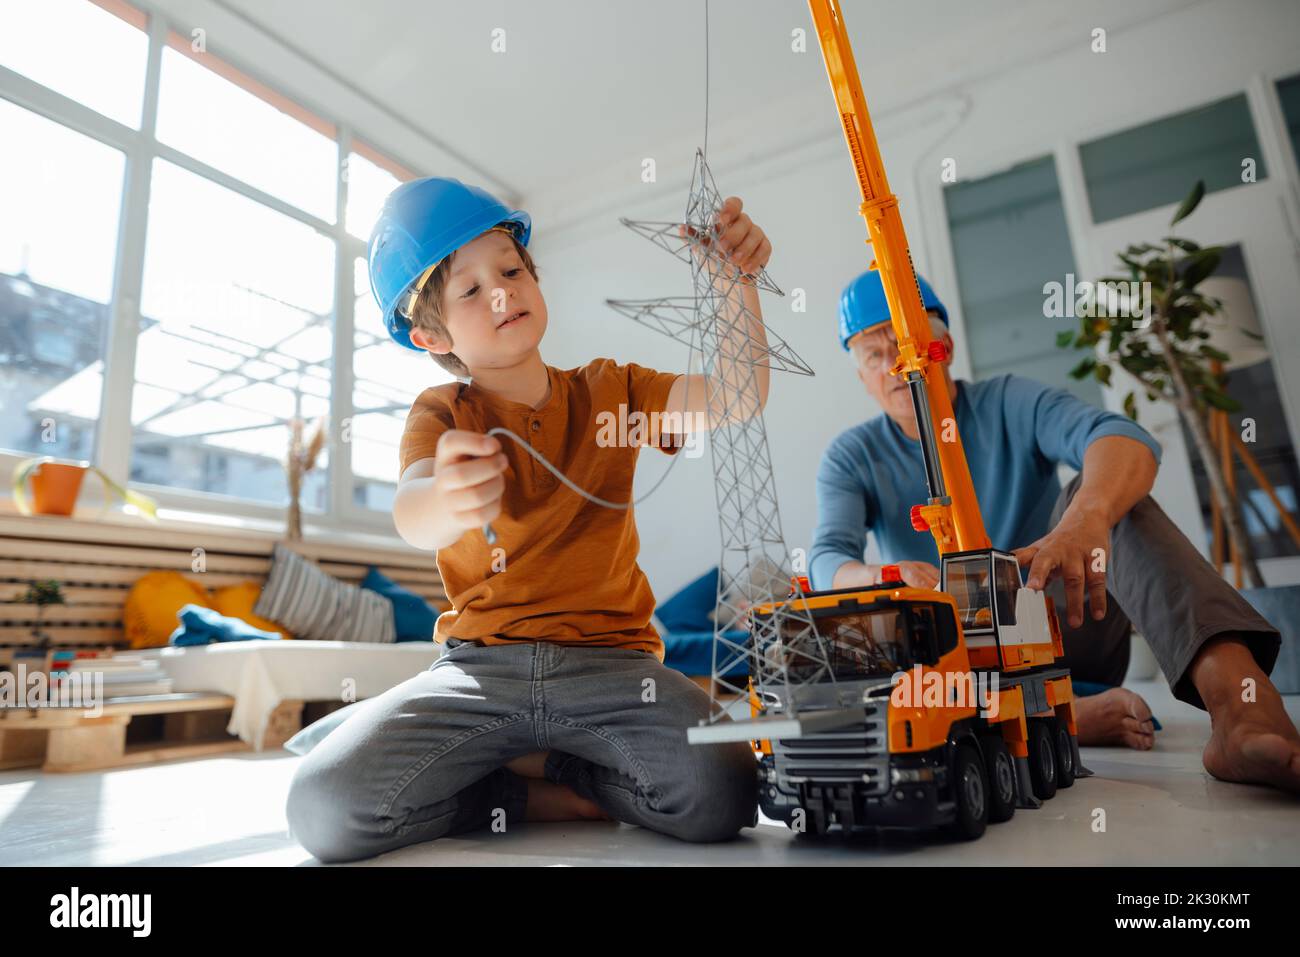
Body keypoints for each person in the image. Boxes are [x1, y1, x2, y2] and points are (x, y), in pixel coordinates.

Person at [285, 177, 775, 862]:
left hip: (613, 668)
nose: (501, 292)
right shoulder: (442, 413)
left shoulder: (614, 392)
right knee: (322, 805)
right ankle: (523, 792)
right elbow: (412, 512)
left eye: (511, 270)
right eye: (470, 288)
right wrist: (444, 499)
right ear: (431, 333)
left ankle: (557, 766)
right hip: (480, 672)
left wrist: (736, 287)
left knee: (721, 788)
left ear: (535, 275)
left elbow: (737, 395)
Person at [810, 268, 1299, 793]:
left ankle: (1240, 707)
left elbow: (1121, 436)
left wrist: (1086, 516)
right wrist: (886, 574)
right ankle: (1066, 714)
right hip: (951, 663)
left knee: (1104, 495)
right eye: (873, 355)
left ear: (943, 346)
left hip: (1058, 622)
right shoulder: (851, 456)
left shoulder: (1007, 402)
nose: (894, 367)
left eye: (903, 345)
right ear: (861, 376)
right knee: (861, 627)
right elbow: (826, 560)